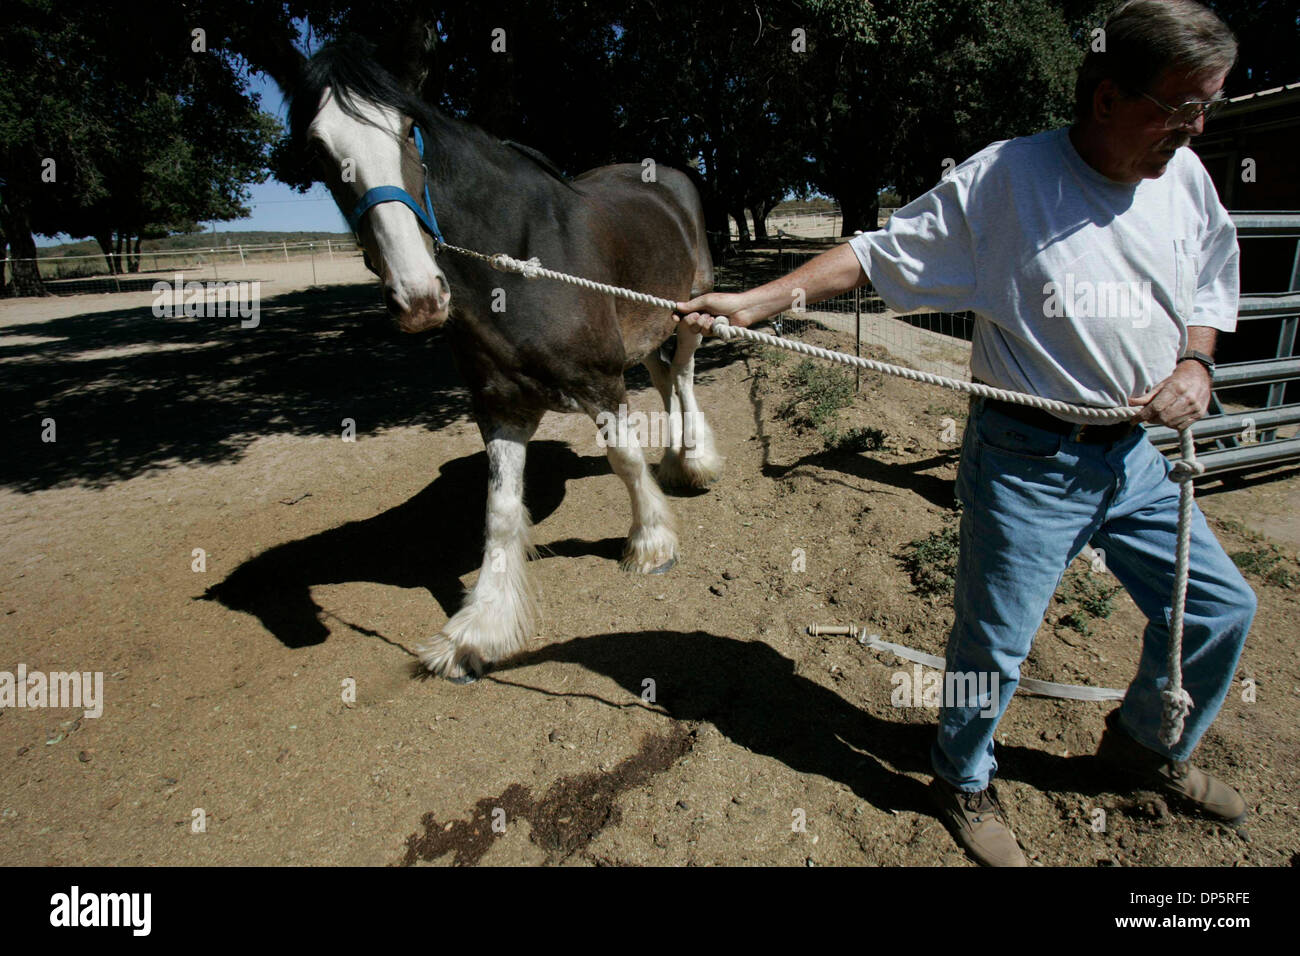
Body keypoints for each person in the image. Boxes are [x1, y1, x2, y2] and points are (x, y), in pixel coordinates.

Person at [677, 0, 1257, 867]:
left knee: (1221, 609)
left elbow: (1213, 275)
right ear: (1105, 99)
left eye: (1206, 106)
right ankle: (961, 775)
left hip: (1136, 461)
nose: (1197, 127)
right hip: (1028, 460)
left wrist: (1197, 366)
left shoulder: (1185, 178)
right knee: (996, 645)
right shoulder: (1007, 183)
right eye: (1181, 108)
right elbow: (878, 254)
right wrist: (754, 302)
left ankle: (1147, 749)